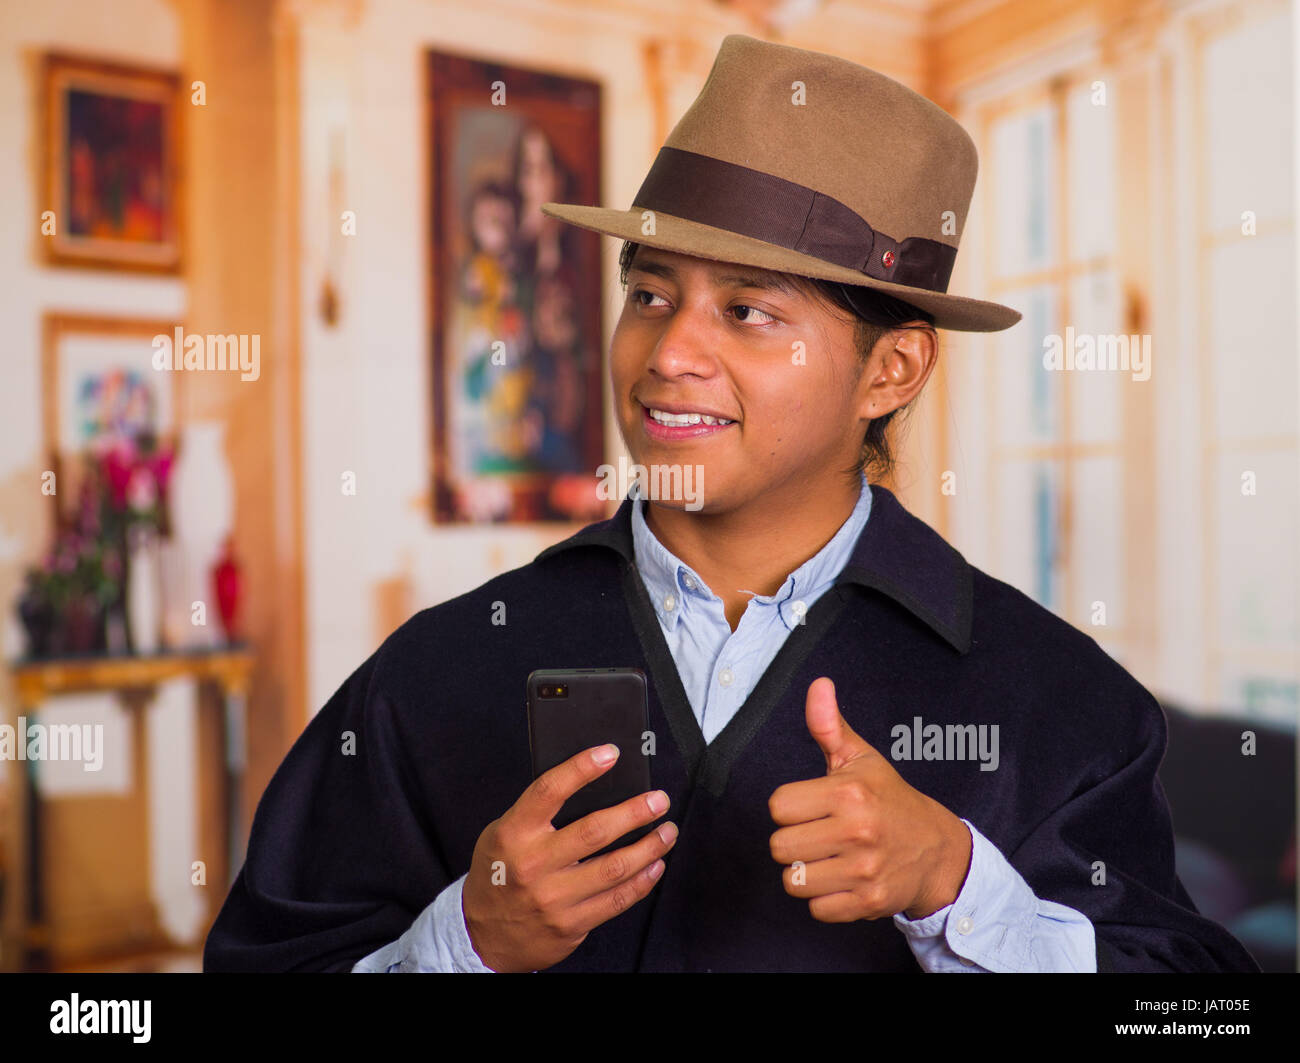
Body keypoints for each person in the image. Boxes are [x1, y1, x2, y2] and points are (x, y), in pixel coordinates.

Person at [203, 34, 1260, 973]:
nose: (666, 354)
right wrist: (466, 944)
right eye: (650, 293)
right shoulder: (436, 672)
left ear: (890, 372)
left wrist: (957, 885)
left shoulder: (1062, 703)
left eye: (748, 310)